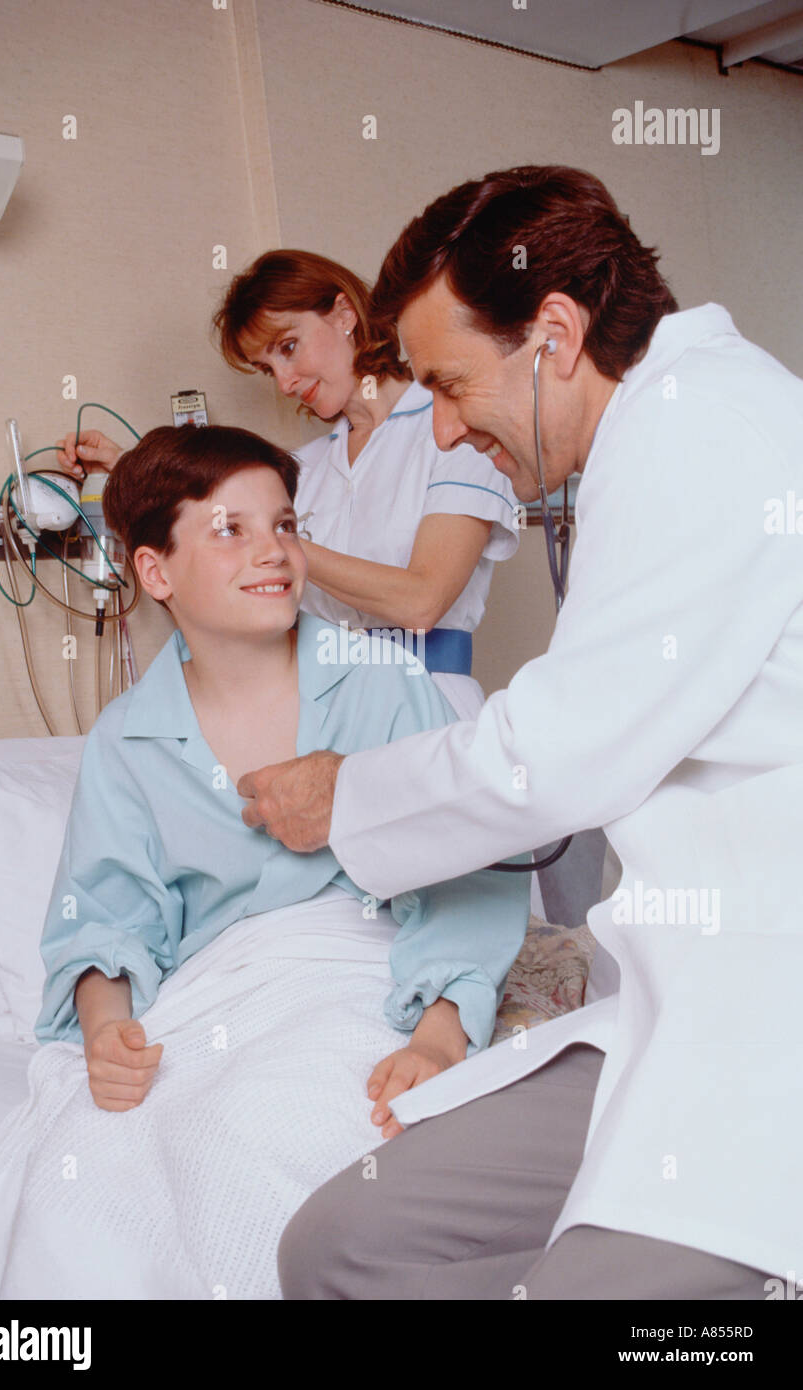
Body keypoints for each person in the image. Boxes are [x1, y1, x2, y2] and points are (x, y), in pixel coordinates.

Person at [233, 166, 803, 1300]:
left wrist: (340, 795)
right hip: (670, 1005)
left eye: (448, 383)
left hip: (767, 1020)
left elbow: (552, 755)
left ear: (553, 330)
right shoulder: (652, 435)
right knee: (341, 1246)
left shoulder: (707, 426)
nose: (440, 425)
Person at [0, 423, 530, 1300]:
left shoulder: (381, 684)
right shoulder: (128, 742)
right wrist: (107, 1032)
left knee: (265, 1138)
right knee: (78, 1172)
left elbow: (467, 875)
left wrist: (439, 1037)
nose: (275, 551)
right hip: (211, 997)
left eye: (285, 524)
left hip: (364, 974)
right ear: (155, 571)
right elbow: (104, 922)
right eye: (231, 529)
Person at [54, 251, 523, 721]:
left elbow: (422, 602)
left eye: (289, 347)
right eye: (267, 368)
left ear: (344, 314)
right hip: (318, 707)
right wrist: (134, 470)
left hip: (430, 703)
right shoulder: (308, 467)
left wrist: (278, 540)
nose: (284, 383)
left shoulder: (456, 432)